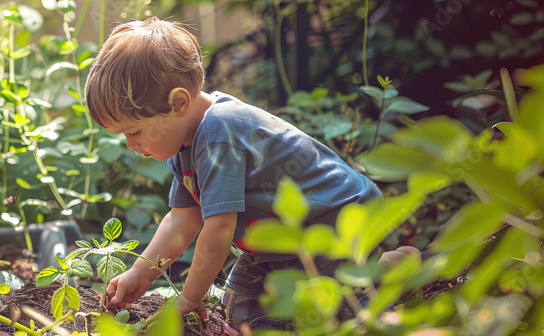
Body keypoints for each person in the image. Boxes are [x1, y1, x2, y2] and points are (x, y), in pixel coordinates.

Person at [83, 17, 408, 331]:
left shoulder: (219, 135)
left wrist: (188, 299)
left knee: (340, 313)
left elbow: (219, 229)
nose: (129, 145)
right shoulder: (184, 143)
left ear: (178, 103)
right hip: (280, 243)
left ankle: (388, 273)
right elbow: (182, 220)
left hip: (334, 223)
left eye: (134, 132)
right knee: (243, 313)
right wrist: (141, 273)